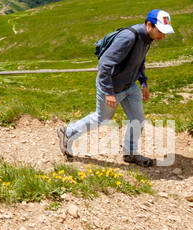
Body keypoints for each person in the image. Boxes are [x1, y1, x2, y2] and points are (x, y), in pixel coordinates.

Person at [57, 9, 174, 167]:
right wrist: (108, 92)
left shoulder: (147, 39)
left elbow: (139, 62)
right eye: (161, 31)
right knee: (102, 119)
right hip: (112, 87)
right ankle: (67, 132)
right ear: (149, 25)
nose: (163, 36)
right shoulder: (129, 37)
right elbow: (104, 64)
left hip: (130, 86)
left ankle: (130, 153)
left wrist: (143, 83)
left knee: (138, 119)